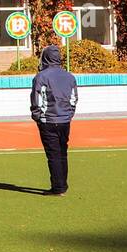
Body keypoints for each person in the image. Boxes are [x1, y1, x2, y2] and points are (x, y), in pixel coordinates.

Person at [30, 44, 77, 196]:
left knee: (53, 155)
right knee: (62, 153)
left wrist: (37, 116)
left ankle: (58, 187)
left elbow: (36, 100)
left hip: (48, 121)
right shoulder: (69, 77)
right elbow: (73, 99)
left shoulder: (41, 77)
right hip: (65, 120)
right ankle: (62, 185)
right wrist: (69, 115)